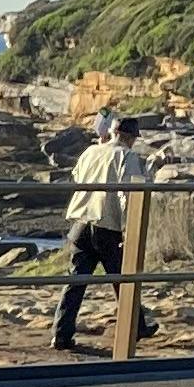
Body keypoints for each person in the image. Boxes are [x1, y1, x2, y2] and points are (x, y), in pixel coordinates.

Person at [52, 112, 153, 350]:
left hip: (80, 222)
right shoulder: (126, 156)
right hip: (106, 225)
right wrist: (129, 225)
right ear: (130, 137)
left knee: (75, 283)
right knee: (123, 279)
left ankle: (61, 334)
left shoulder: (90, 151)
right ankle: (136, 327)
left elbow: (77, 177)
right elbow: (129, 192)